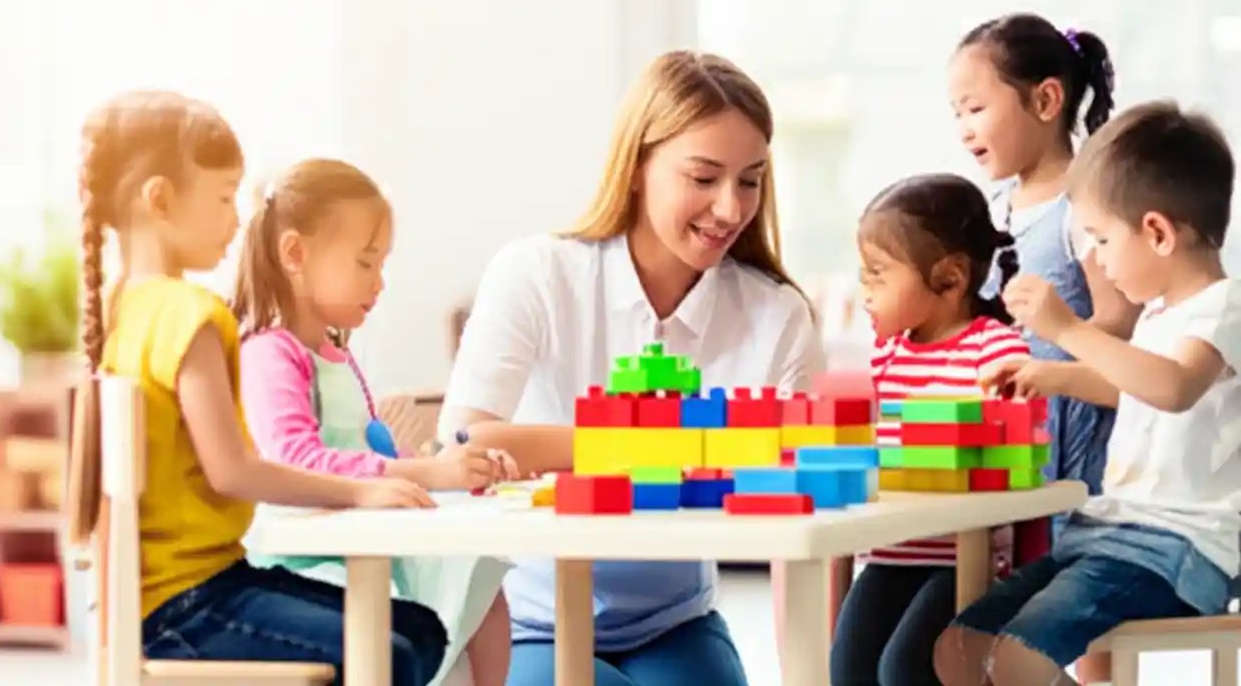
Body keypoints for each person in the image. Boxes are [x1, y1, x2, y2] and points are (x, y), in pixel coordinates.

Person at [435, 50, 823, 686]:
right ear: (638, 167)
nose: (729, 208)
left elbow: (801, 485)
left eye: (749, 180)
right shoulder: (537, 273)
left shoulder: (777, 313)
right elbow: (463, 447)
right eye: (703, 178)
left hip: (675, 624)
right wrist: (649, 443)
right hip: (531, 619)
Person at [65, 90, 447, 685]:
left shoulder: (125, 308)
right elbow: (235, 471)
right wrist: (361, 490)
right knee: (393, 651)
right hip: (185, 607)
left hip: (191, 589)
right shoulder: (188, 315)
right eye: (222, 197)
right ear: (161, 200)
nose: (236, 219)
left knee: (416, 631)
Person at [933, 101, 1241, 686]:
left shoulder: (1226, 307)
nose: (1094, 257)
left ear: (1157, 232)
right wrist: (1047, 374)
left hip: (1177, 549)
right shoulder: (1158, 315)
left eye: (1100, 239)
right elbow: (1135, 390)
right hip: (1107, 533)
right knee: (961, 647)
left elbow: (1172, 388)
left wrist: (1066, 331)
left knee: (1018, 658)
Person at [233, 157, 516, 686]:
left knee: (478, 573)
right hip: (307, 556)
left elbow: (372, 450)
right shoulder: (271, 353)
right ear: (295, 254)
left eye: (381, 264)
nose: (379, 282)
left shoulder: (335, 352)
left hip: (363, 535)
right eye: (365, 264)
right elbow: (293, 459)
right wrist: (426, 476)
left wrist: (445, 465)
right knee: (392, 617)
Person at [829, 173, 1031, 685]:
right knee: (847, 667)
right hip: (892, 550)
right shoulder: (890, 353)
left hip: (963, 559)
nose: (866, 292)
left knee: (905, 667)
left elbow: (1011, 449)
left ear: (949, 278)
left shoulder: (995, 350)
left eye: (878, 275)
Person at [949, 13, 1141, 500]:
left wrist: (1050, 341)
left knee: (1054, 543)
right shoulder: (994, 209)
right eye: (957, 115)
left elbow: (1120, 320)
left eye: (974, 109)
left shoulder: (1086, 207)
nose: (964, 131)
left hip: (1070, 422)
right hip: (1008, 425)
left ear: (1046, 100)